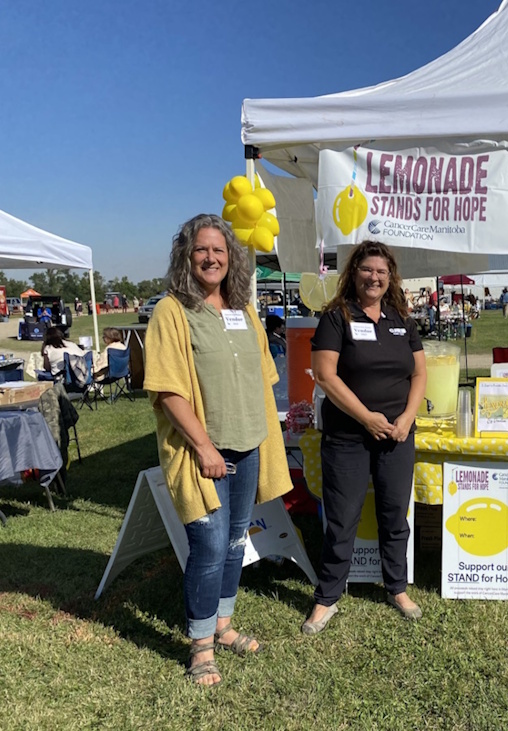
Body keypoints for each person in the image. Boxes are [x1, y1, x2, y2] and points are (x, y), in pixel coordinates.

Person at [143, 214, 291, 687]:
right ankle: (201, 647)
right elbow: (167, 390)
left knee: (233, 543)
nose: (211, 258)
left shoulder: (243, 308)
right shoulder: (172, 310)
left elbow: (263, 375)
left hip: (249, 443)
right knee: (207, 545)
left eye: (219, 251)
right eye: (201, 250)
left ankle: (223, 626)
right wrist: (204, 447)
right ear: (186, 256)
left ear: (232, 259)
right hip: (202, 450)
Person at [302, 240, 426, 634]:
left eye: (382, 272)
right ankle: (327, 598)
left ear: (391, 278)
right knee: (342, 519)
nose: (374, 277)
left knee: (394, 516)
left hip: (398, 434)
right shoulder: (336, 317)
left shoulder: (402, 318)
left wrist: (406, 418)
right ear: (354, 273)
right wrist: (366, 418)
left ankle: (397, 588)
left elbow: (419, 374)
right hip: (348, 436)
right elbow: (325, 376)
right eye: (367, 269)